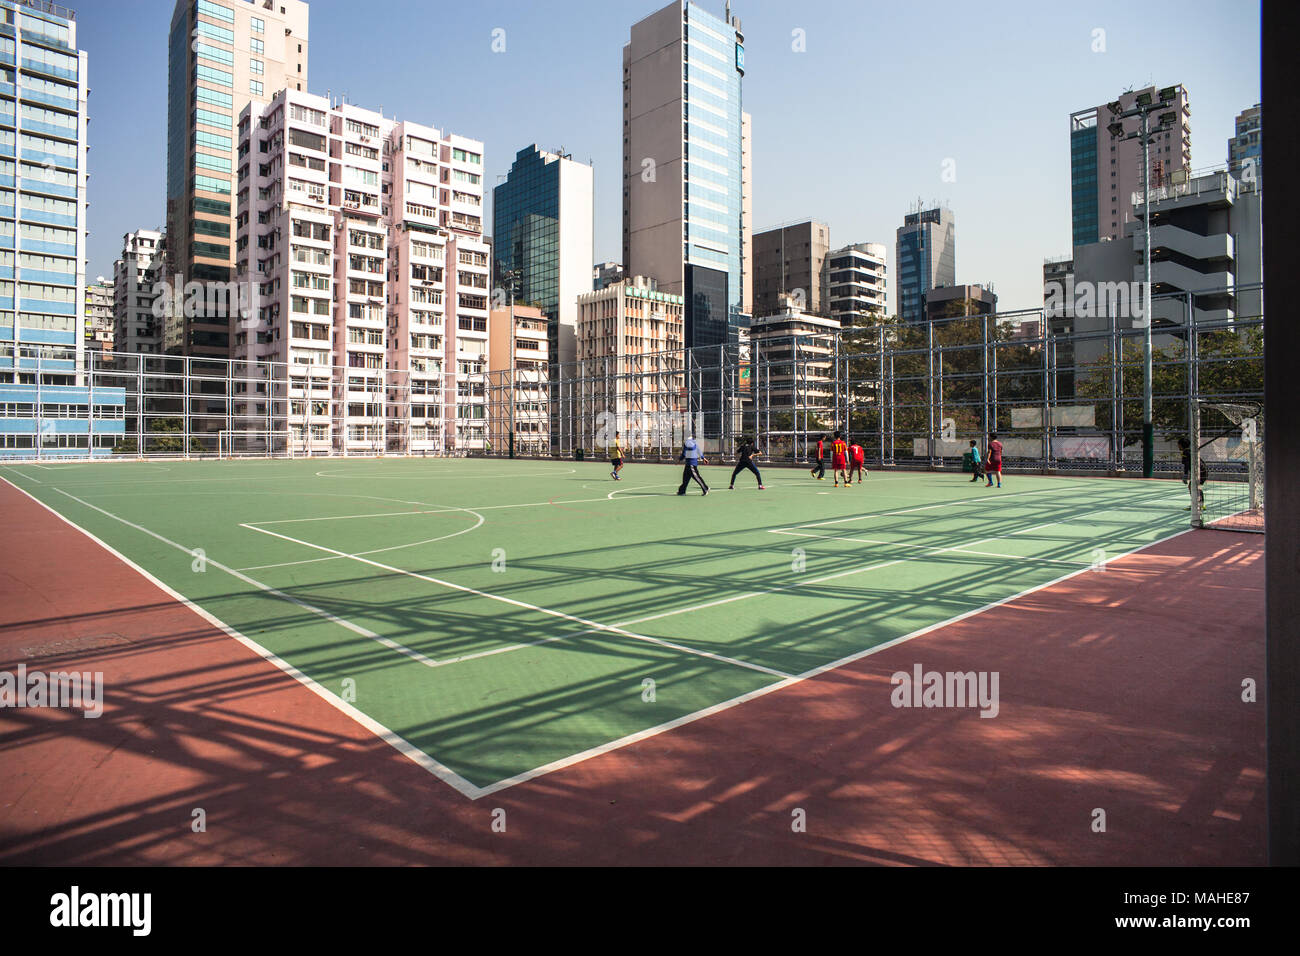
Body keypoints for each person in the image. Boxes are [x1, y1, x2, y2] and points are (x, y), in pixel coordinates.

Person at [1178, 437, 1208, 511]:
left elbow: (1186, 464)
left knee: (1193, 487)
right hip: (1203, 470)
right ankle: (1200, 504)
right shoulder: (1189, 451)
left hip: (1200, 471)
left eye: (1178, 445)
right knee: (1194, 487)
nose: (1178, 446)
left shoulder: (1186, 452)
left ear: (1181, 445)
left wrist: (1185, 475)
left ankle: (1197, 505)